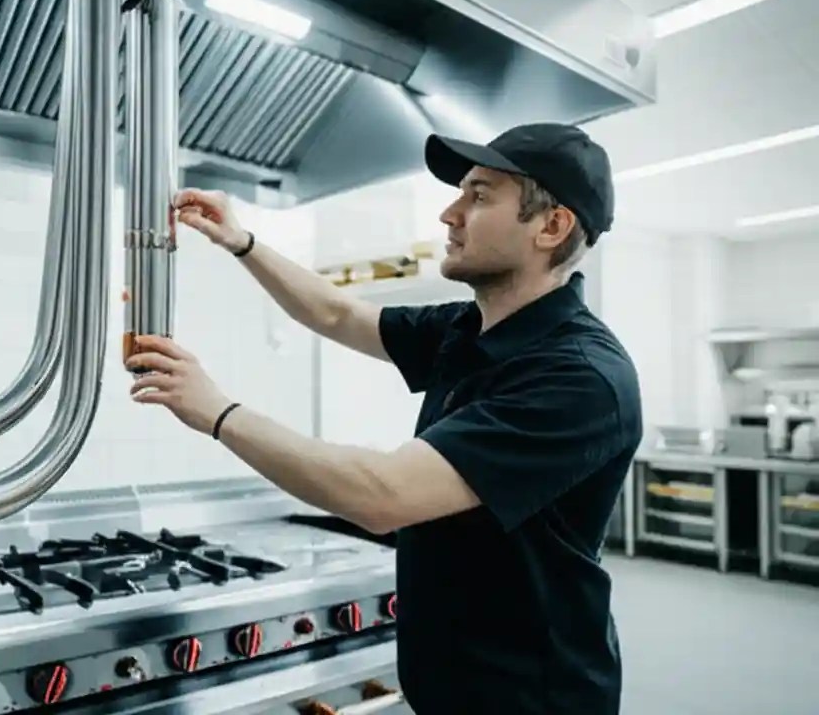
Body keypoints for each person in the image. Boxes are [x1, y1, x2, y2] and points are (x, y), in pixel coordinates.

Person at [126, 122, 643, 714]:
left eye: (478, 196)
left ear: (551, 227)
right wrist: (241, 241)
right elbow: (338, 313)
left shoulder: (578, 378)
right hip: (455, 687)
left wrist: (217, 411)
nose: (450, 214)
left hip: (532, 697)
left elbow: (382, 494)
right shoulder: (469, 327)